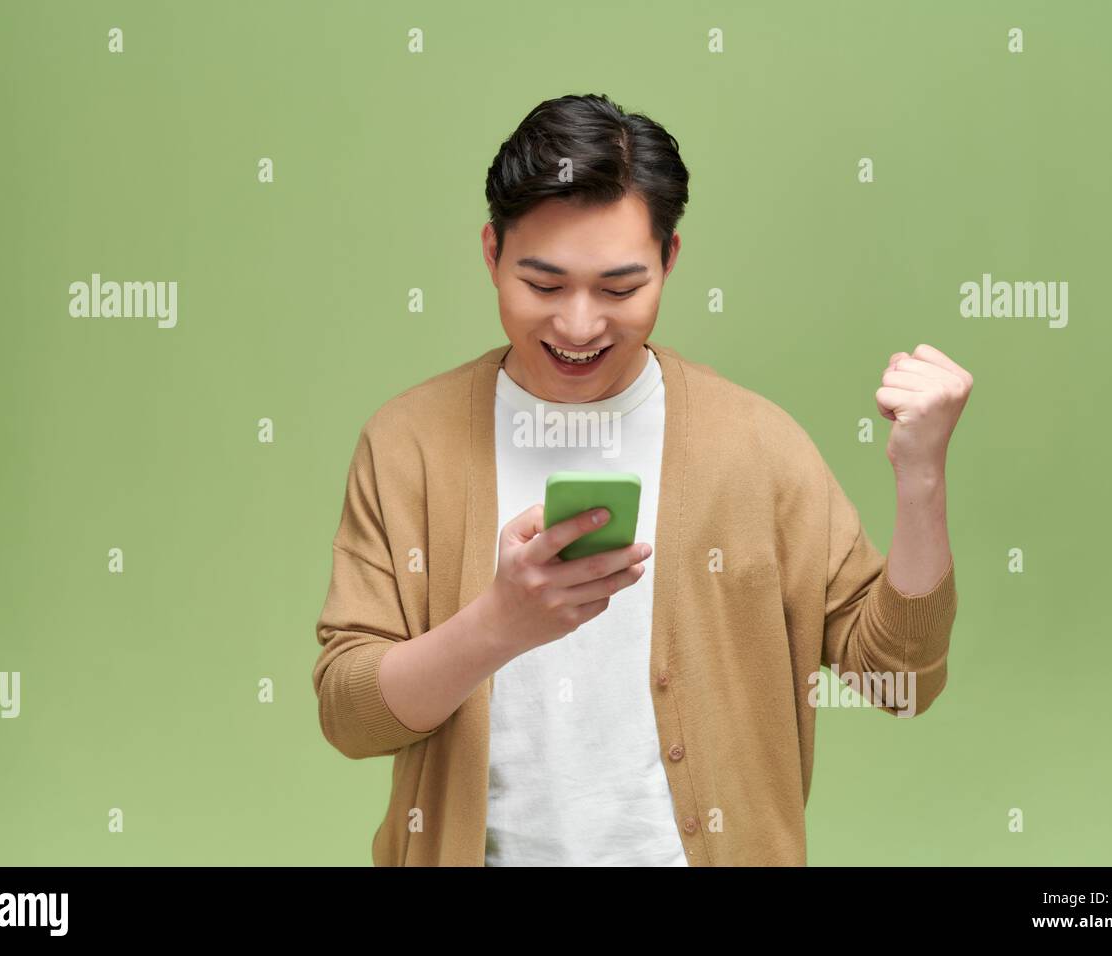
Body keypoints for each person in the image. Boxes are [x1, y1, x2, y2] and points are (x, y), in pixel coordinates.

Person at [312, 92, 969, 866]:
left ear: (670, 261)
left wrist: (920, 475)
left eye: (620, 289)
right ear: (490, 253)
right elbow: (350, 716)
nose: (581, 326)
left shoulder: (756, 446)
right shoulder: (409, 445)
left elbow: (901, 683)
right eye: (544, 285)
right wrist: (498, 624)